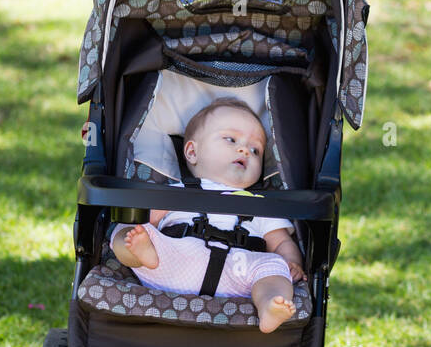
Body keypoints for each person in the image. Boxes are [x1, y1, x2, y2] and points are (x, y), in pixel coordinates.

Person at [111, 99, 305, 333]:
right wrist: (140, 234)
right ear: (192, 152)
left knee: (273, 267)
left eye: (255, 150)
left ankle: (269, 305)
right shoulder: (177, 191)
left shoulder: (259, 204)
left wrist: (291, 263)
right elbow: (146, 217)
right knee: (125, 231)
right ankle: (142, 253)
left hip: (238, 274)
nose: (245, 150)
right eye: (231, 139)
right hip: (172, 260)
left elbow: (281, 241)